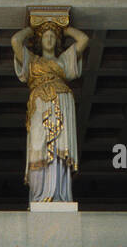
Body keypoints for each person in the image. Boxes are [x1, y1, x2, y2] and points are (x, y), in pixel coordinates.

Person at [11, 19, 89, 203]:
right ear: (39, 40)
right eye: (46, 36)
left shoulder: (63, 60)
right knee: (38, 148)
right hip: (39, 102)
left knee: (60, 150)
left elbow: (84, 40)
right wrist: (34, 27)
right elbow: (15, 41)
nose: (49, 39)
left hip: (61, 101)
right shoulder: (32, 60)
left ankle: (60, 196)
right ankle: (39, 195)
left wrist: (63, 28)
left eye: (53, 36)